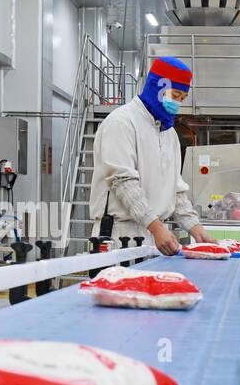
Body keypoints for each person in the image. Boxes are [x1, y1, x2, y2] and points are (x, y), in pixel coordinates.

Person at [88, 56, 217, 255]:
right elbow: (123, 182)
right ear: (158, 87)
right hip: (119, 234)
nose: (177, 103)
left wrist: (196, 228)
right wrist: (155, 227)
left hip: (156, 234)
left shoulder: (169, 134)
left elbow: (176, 189)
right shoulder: (122, 123)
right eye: (175, 95)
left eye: (182, 98)